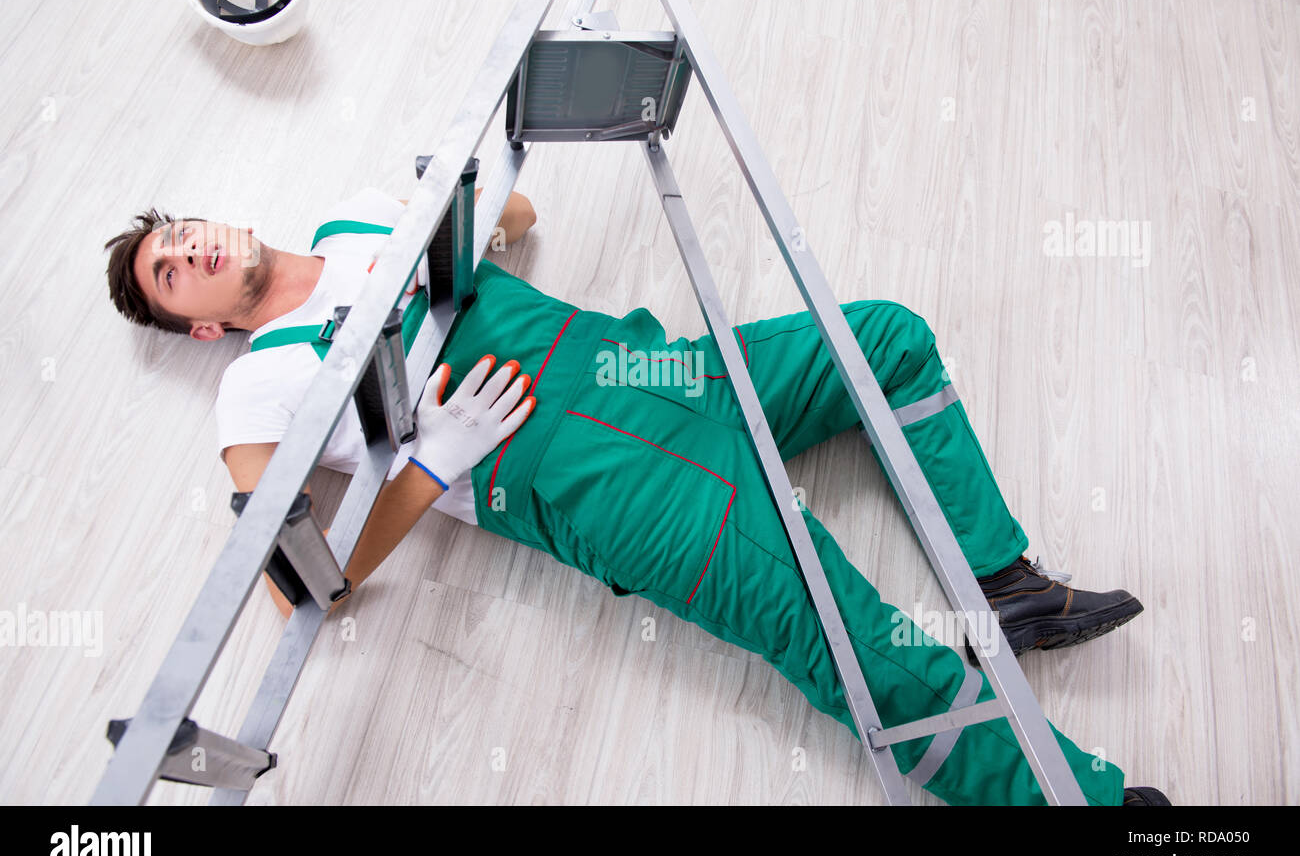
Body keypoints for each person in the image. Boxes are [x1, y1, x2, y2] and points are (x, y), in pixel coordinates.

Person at [103, 186, 1167, 806]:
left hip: (642, 369)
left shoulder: (354, 228)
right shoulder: (253, 387)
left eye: (182, 231)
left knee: (881, 340)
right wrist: (434, 463)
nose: (191, 248)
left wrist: (450, 210)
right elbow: (299, 591)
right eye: (170, 271)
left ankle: (1004, 584)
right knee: (863, 649)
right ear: (198, 323)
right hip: (587, 475)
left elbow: (515, 209)